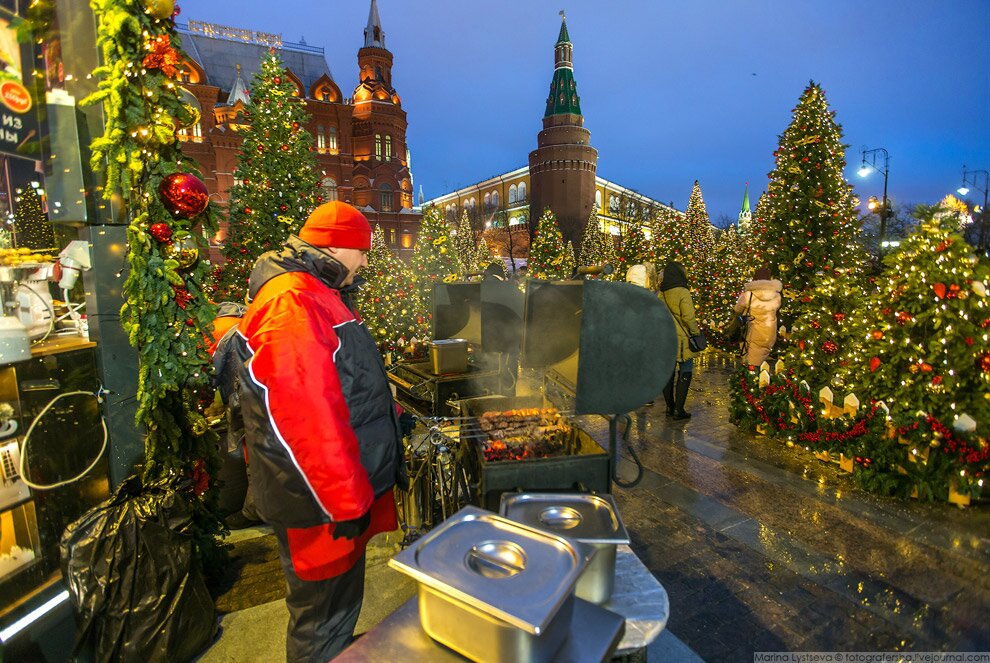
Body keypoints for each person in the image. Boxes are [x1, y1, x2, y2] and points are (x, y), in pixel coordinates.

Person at [234, 201, 407, 662]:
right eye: (363, 251)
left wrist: (386, 417)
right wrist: (342, 502)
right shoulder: (294, 300)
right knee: (322, 617)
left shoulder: (316, 292)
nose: (366, 262)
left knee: (336, 608)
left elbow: (340, 381)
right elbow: (303, 416)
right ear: (337, 246)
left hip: (328, 496)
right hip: (319, 503)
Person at [209, 301, 263, 529]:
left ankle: (254, 511)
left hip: (243, 396)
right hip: (264, 390)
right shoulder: (249, 318)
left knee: (253, 454)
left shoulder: (215, 329)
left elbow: (210, 371)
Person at [659, 262, 700, 420]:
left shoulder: (661, 293)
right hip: (682, 340)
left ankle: (669, 407)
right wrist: (695, 333)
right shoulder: (683, 292)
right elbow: (688, 317)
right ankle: (679, 409)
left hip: (665, 338)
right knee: (686, 368)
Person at [735, 267, 783, 367]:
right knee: (762, 357)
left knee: (751, 362)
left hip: (753, 331)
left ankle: (750, 380)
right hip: (769, 332)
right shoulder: (776, 296)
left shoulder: (749, 295)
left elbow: (737, 309)